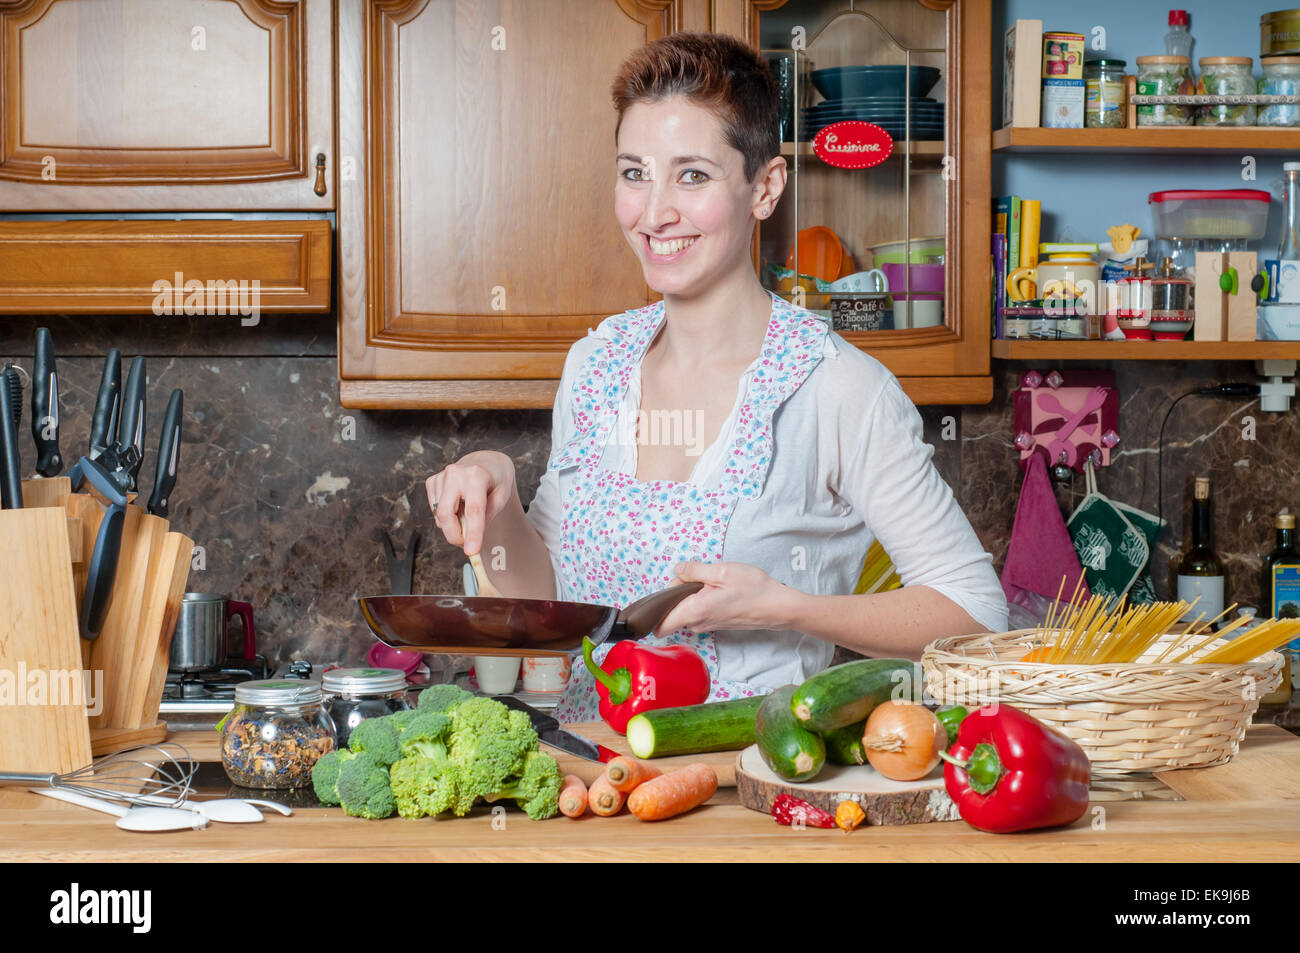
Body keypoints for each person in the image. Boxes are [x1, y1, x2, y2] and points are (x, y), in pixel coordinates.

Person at [425, 31, 1007, 722]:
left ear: (765, 188)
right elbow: (552, 603)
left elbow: (975, 613)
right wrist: (500, 500)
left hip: (753, 791)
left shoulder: (836, 389)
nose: (653, 212)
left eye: (692, 174)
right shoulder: (596, 366)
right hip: (595, 780)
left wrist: (785, 607)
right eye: (634, 172)